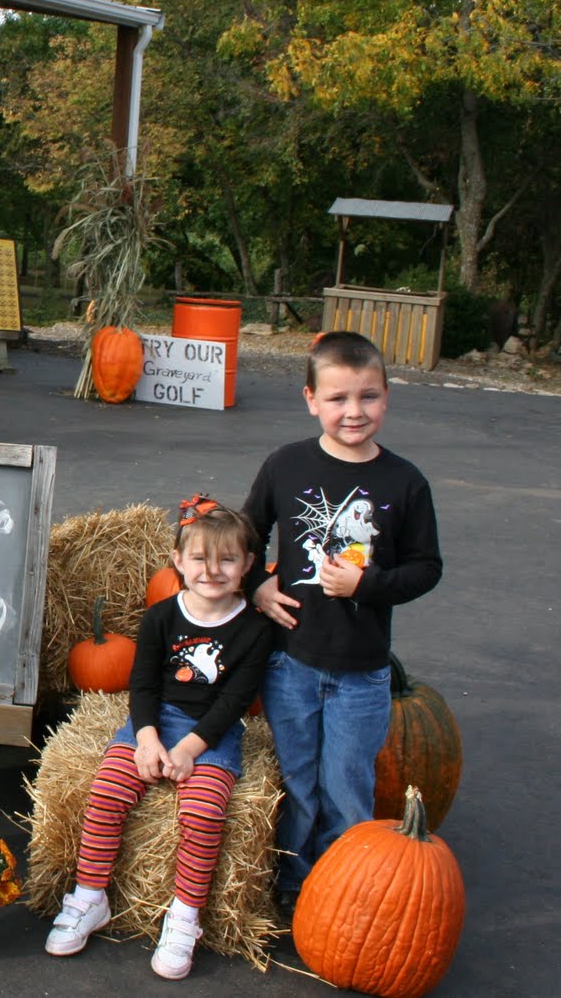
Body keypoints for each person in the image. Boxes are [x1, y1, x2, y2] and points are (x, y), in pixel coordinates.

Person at [242, 330, 441, 915]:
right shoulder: (286, 464)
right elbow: (247, 536)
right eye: (338, 399)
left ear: (386, 398)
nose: (354, 411)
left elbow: (427, 568)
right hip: (292, 661)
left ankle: (341, 889)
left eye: (368, 397)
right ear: (311, 399)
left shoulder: (405, 482)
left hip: (361, 671)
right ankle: (295, 881)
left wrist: (367, 585)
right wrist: (256, 586)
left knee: (347, 787)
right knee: (298, 780)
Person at [45, 497, 273, 981]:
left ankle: (184, 917)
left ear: (248, 565)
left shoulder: (254, 629)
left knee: (204, 812)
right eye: (199, 559)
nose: (212, 571)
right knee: (106, 791)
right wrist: (146, 741)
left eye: (227, 560)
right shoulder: (161, 617)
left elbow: (235, 702)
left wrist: (190, 750)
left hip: (213, 730)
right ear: (177, 561)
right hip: (156, 718)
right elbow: (142, 686)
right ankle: (89, 898)